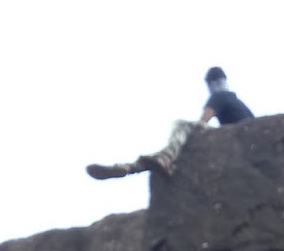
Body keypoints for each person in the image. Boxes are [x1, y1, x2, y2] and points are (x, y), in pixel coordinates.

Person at [86, 68, 254, 181]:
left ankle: (150, 162)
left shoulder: (219, 97)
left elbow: (201, 124)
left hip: (230, 145)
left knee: (182, 126)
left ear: (210, 84)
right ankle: (131, 167)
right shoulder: (238, 103)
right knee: (169, 154)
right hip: (241, 146)